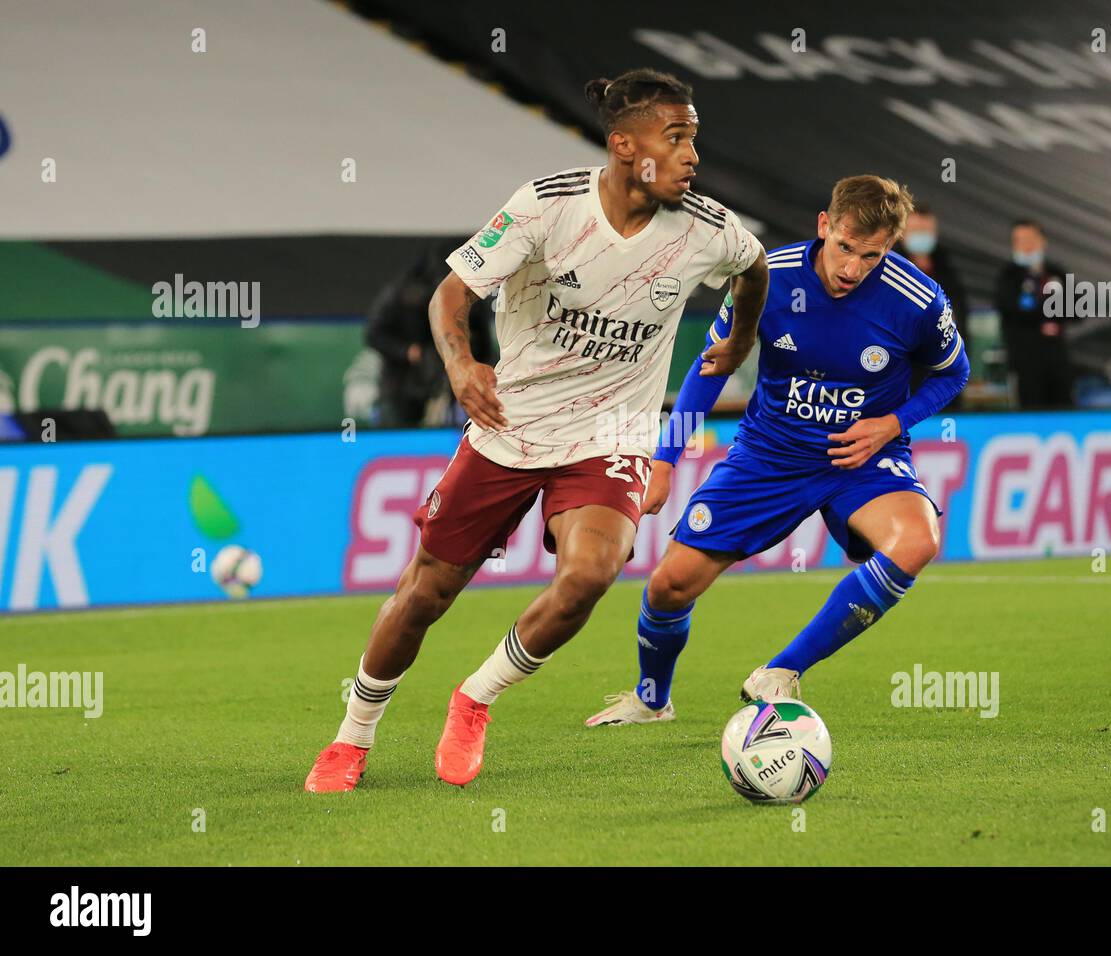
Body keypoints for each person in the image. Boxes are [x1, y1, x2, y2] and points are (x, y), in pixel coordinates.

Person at [304, 68, 768, 791]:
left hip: (613, 432)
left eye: (694, 138)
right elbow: (453, 291)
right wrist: (461, 367)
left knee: (589, 574)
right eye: (675, 137)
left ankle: (475, 698)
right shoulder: (547, 207)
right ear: (623, 145)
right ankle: (352, 736)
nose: (691, 155)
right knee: (425, 593)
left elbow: (754, 267)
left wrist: (737, 342)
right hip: (511, 425)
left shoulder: (707, 229)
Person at [586, 174, 969, 727]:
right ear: (824, 226)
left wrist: (893, 422)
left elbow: (953, 373)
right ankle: (652, 699)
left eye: (871, 255)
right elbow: (712, 363)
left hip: (857, 461)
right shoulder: (767, 277)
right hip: (769, 456)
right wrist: (666, 460)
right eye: (844, 248)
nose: (851, 269)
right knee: (669, 587)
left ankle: (783, 671)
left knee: (918, 540)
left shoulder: (917, 300)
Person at [364, 244, 496, 427]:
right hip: (401, 384)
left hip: (446, 378)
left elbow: (484, 344)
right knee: (398, 435)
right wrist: (407, 351)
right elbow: (374, 334)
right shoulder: (401, 294)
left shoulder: (470, 297)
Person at [898, 202, 969, 412]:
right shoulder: (889, 269)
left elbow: (960, 319)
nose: (922, 235)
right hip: (903, 374)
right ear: (901, 232)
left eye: (926, 230)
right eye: (917, 230)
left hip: (943, 373)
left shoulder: (948, 271)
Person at [995, 220, 1073, 409]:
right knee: (1031, 414)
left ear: (1042, 241)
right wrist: (1046, 316)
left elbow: (1075, 308)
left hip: (1057, 361)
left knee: (1063, 414)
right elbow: (1013, 309)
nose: (1027, 246)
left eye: (1031, 239)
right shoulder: (1008, 277)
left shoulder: (1056, 273)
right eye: (1020, 241)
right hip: (1025, 363)